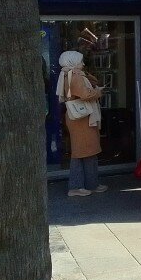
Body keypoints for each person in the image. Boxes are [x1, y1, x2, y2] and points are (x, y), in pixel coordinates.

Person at [56, 50, 107, 197]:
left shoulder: (68, 74)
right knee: (81, 152)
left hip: (78, 117)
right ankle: (76, 186)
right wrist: (97, 92)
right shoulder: (76, 76)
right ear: (72, 62)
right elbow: (85, 94)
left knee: (87, 150)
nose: (83, 63)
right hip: (82, 118)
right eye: (80, 61)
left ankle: (91, 184)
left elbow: (91, 83)